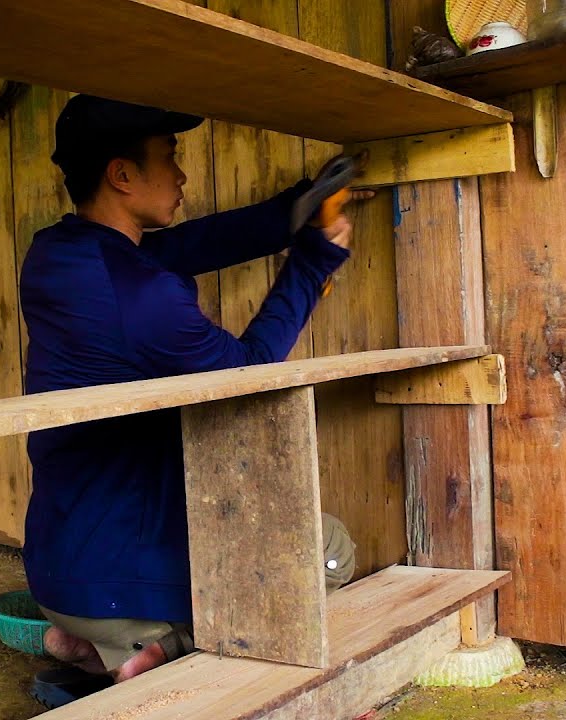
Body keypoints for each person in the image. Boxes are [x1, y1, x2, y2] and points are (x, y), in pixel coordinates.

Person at [18, 95, 362, 708]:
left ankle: (88, 641)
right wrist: (312, 263)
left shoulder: (55, 254)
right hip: (120, 583)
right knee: (329, 547)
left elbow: (187, 246)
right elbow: (249, 374)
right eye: (169, 158)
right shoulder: (145, 299)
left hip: (58, 570)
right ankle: (157, 648)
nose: (182, 176)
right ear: (122, 175)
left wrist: (296, 209)